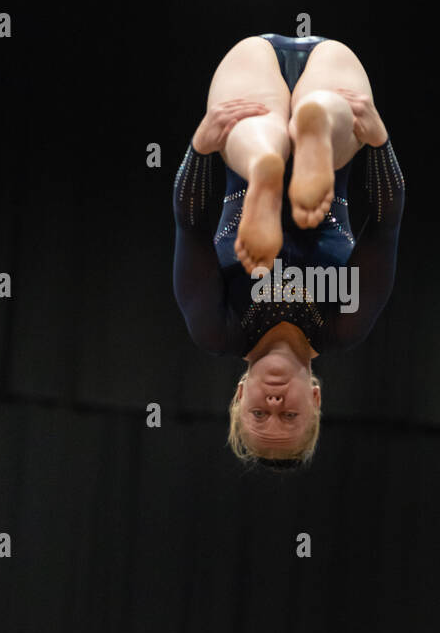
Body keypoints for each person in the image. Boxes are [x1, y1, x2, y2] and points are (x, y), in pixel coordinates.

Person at [173, 34, 405, 466]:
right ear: (316, 398)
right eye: (290, 414)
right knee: (330, 119)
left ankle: (266, 165)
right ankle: (314, 124)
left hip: (250, 82)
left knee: (257, 137)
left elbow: (189, 225)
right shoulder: (342, 325)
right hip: (334, 86)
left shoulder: (217, 328)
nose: (275, 402)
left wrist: (201, 147)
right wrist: (380, 143)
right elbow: (385, 227)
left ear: (239, 395)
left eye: (260, 413)